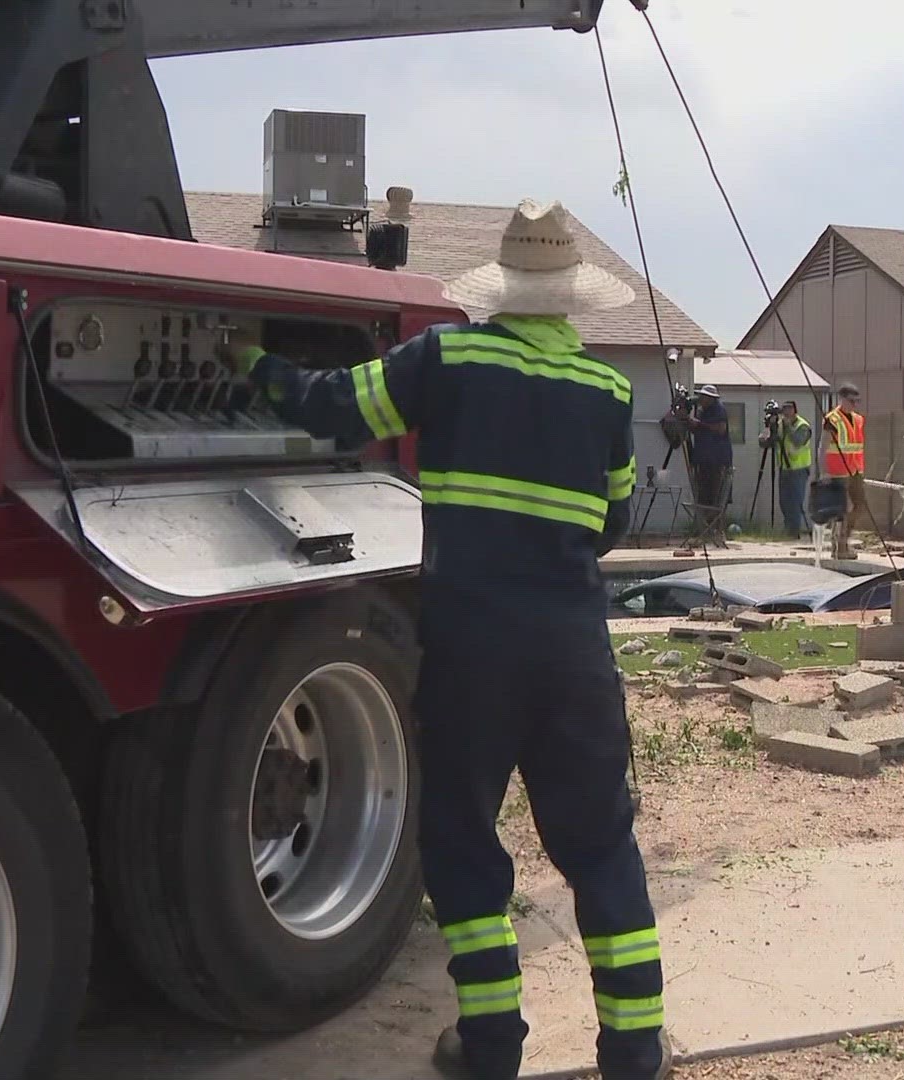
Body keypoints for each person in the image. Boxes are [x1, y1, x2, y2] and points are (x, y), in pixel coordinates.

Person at [228, 199, 670, 1080]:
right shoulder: (608, 391)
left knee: (465, 839)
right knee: (600, 846)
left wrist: (250, 361)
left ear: (499, 290)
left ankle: (492, 1047)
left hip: (474, 650)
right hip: (575, 655)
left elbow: (335, 408)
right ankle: (634, 1050)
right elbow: (612, 519)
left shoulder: (447, 359)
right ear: (569, 298)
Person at [822, 382, 866, 558]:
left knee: (859, 506)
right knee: (842, 509)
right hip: (837, 470)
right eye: (851, 401)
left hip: (855, 469)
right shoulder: (832, 419)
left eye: (857, 401)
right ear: (841, 399)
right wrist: (823, 472)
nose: (854, 405)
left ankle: (843, 541)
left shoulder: (858, 419)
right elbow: (822, 447)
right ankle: (839, 547)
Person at [760, 400, 814, 536]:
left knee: (795, 502)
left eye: (789, 409)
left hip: (799, 469)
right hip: (784, 468)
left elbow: (797, 441)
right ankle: (788, 528)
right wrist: (769, 429)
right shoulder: (780, 425)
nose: (786, 412)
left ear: (795, 410)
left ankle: (794, 531)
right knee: (784, 502)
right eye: (784, 409)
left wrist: (788, 426)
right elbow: (767, 443)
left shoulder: (803, 426)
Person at [684, 384, 732, 537]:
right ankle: (704, 529)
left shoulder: (719, 409)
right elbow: (697, 429)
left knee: (715, 495)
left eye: (703, 397)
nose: (700, 399)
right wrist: (687, 421)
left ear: (711, 398)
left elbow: (721, 428)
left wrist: (699, 424)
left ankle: (716, 530)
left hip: (716, 459)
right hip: (703, 458)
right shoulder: (701, 411)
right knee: (703, 495)